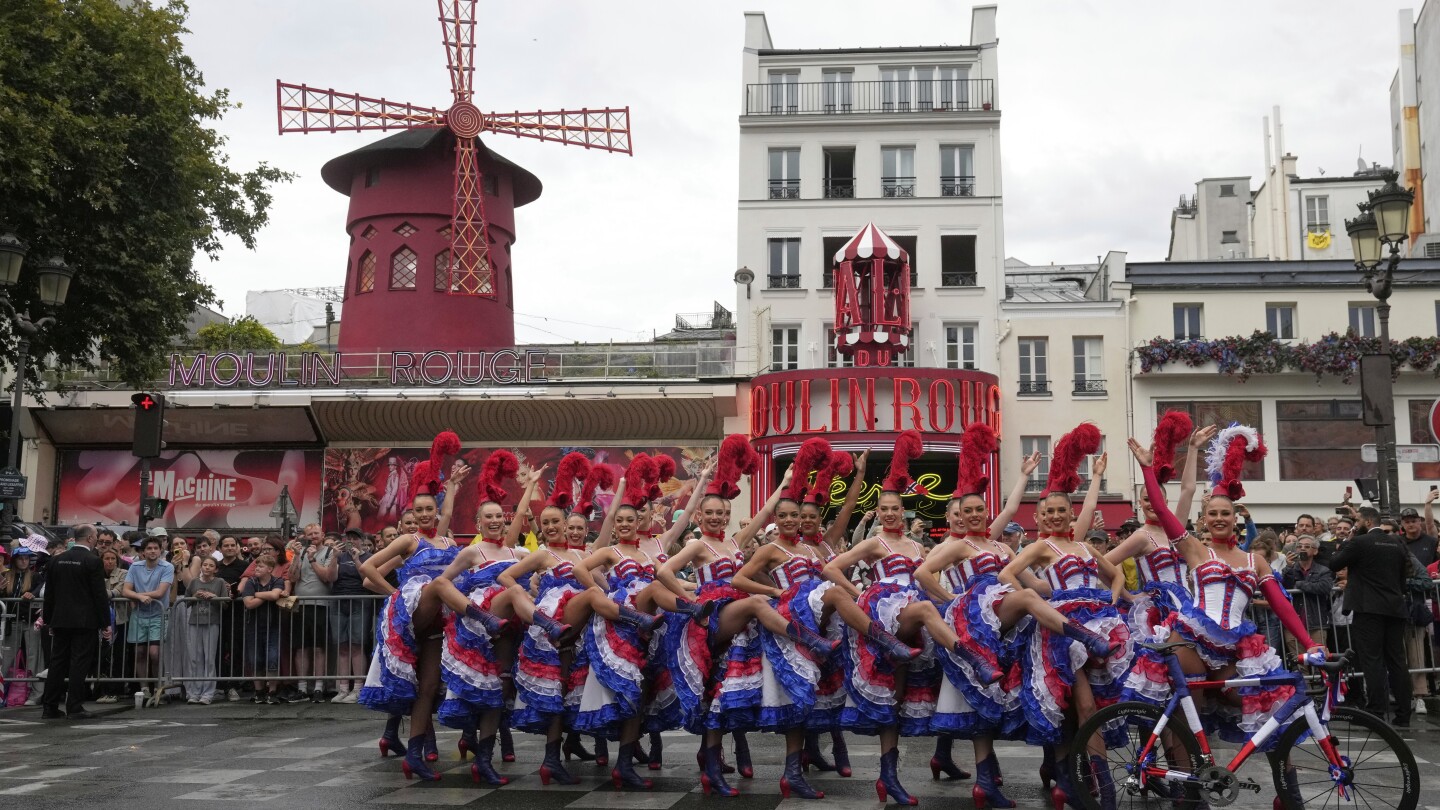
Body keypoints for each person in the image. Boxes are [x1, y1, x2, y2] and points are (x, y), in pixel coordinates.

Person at [1329, 506, 1418, 725]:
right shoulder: (1397, 542)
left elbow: (1334, 563)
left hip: (1368, 609)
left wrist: (1350, 538)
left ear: (1368, 522)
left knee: (1372, 660)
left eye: (1357, 520)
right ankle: (1404, 714)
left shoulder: (1359, 543)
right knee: (1397, 661)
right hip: (1395, 608)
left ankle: (1376, 712)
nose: (1354, 523)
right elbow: (1406, 574)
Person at [39, 524, 111, 719]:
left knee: (57, 662)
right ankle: (75, 706)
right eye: (95, 536)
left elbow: (50, 594)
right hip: (84, 621)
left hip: (60, 619)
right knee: (79, 663)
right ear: (89, 539)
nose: (96, 539)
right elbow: (99, 595)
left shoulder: (57, 560)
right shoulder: (93, 561)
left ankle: (50, 706)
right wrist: (106, 622)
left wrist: (48, 619)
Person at [286, 524, 337, 703]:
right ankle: (302, 688)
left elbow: (328, 577)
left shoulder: (329, 552)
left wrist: (313, 559)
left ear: (322, 534)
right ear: (305, 536)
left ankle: (318, 687)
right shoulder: (301, 552)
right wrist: (297, 557)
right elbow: (292, 578)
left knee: (318, 648)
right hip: (301, 605)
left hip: (321, 605)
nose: (313, 536)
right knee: (301, 648)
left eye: (316, 533)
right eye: (310, 534)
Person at [122, 536, 174, 702]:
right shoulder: (135, 567)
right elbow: (125, 590)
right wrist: (137, 596)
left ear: (160, 550)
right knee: (140, 652)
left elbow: (160, 592)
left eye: (155, 548)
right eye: (149, 548)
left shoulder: (167, 567)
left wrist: (136, 596)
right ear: (143, 552)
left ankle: (159, 687)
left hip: (158, 614)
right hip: (139, 615)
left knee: (154, 653)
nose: (152, 551)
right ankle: (144, 688)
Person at [1399, 505, 1438, 713]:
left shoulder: (1430, 541)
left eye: (1414, 520)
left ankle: (1420, 694)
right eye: (1407, 521)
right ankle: (1403, 694)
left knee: (1418, 653)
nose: (1411, 524)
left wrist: (1405, 583)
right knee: (1398, 655)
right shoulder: (1398, 543)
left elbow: (1426, 581)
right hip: (1395, 608)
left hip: (1418, 604)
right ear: (1402, 525)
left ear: (1419, 521)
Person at [329, 530, 370, 703]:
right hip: (339, 601)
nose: (352, 541)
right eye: (349, 538)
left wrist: (356, 559)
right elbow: (331, 578)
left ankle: (358, 688)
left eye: (355, 538)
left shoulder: (368, 556)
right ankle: (343, 688)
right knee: (342, 646)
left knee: (357, 645)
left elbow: (366, 578)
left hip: (359, 601)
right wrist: (333, 558)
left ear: (362, 541)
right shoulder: (339, 556)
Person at [1279, 535, 1333, 662]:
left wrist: (1300, 585)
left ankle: (1321, 682)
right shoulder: (1290, 568)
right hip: (1293, 624)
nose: (1302, 549)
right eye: (1299, 546)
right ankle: (1305, 683)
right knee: (1299, 662)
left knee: (1319, 661)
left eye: (1307, 546)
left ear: (1315, 551)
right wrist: (1288, 568)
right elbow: (1283, 586)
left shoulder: (1322, 570)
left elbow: (1325, 587)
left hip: (1316, 624)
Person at [184, 556, 229, 704]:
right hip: (194, 622)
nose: (207, 567)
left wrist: (215, 597)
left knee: (209, 658)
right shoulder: (194, 582)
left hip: (212, 622)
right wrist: (195, 596)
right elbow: (185, 602)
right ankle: (194, 692)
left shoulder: (220, 582)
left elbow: (226, 604)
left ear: (215, 569)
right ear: (201, 567)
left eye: (211, 565)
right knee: (195, 658)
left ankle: (208, 693)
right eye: (205, 565)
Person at [242, 554, 286, 703]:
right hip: (253, 625)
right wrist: (266, 595)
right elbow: (248, 604)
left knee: (272, 657)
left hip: (273, 624)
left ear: (270, 569)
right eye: (256, 566)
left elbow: (275, 596)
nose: (257, 568)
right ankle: (259, 691)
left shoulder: (278, 580)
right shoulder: (250, 581)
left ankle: (272, 691)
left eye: (260, 566)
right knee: (255, 658)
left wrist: (257, 594)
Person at [95, 549, 130, 704]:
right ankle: (98, 690)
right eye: (106, 558)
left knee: (118, 655)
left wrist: (98, 592)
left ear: (117, 561)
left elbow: (118, 591)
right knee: (100, 655)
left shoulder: (123, 573)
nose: (109, 561)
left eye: (112, 559)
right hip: (98, 620)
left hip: (119, 619)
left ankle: (115, 690)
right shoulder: (95, 573)